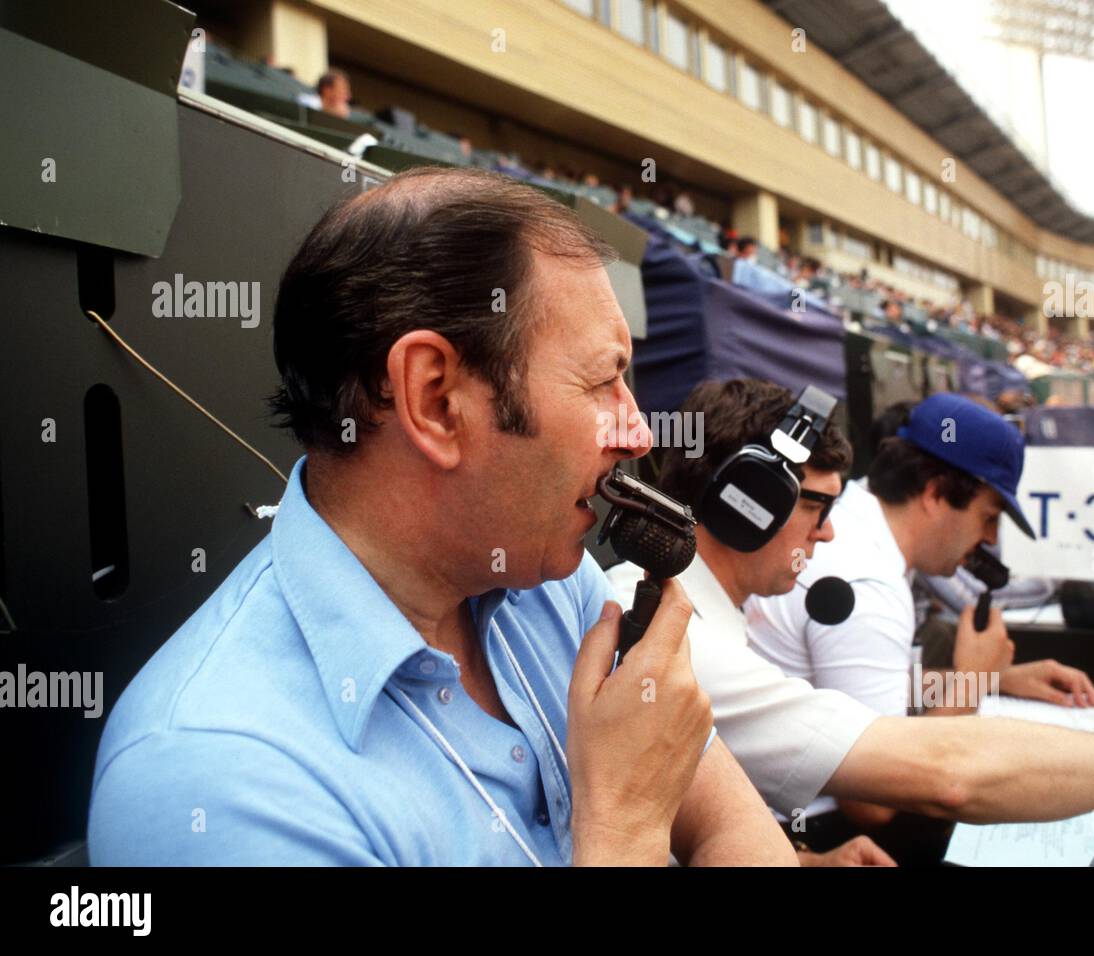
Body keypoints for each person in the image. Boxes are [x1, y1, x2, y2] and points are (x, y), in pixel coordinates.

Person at [87, 168, 795, 867]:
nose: (639, 433)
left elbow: (736, 831)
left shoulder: (553, 580)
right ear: (434, 399)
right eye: (603, 380)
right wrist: (625, 831)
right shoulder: (213, 781)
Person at [608, 378, 1094, 865]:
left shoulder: (676, 602)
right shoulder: (678, 634)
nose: (824, 539)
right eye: (815, 507)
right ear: (745, 503)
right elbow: (940, 777)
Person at [749, 393, 1091, 720]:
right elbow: (885, 773)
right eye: (988, 517)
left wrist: (999, 679)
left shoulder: (860, 527)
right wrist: (973, 681)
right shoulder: (868, 582)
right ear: (935, 493)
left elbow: (874, 683)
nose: (991, 538)